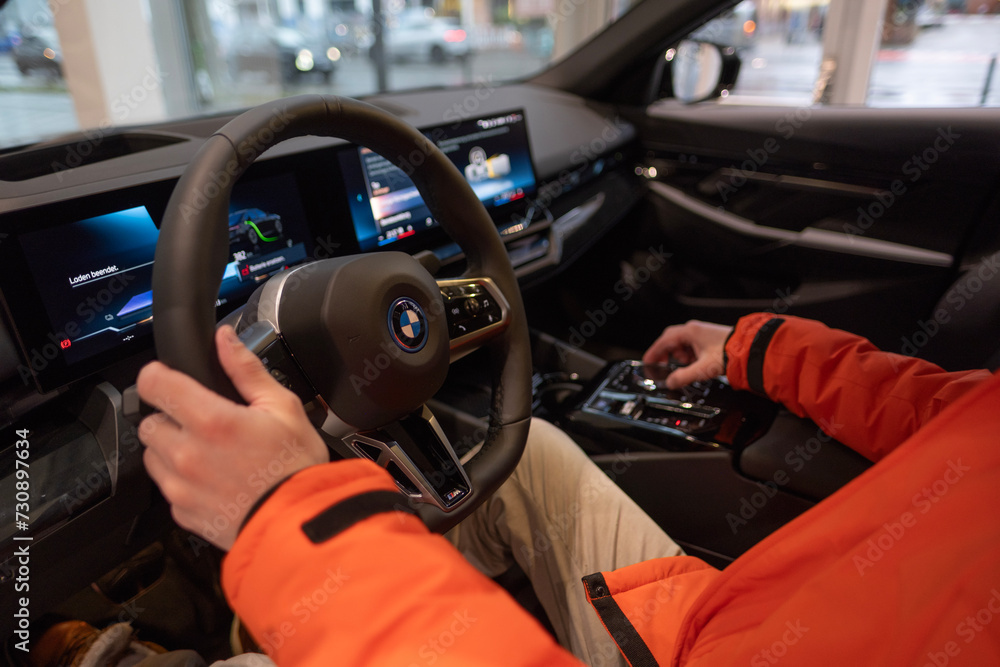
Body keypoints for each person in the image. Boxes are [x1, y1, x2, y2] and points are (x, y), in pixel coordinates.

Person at [134, 313, 1000, 666]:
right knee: (535, 453)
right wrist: (758, 348)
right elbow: (945, 409)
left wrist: (284, 515)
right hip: (726, 624)